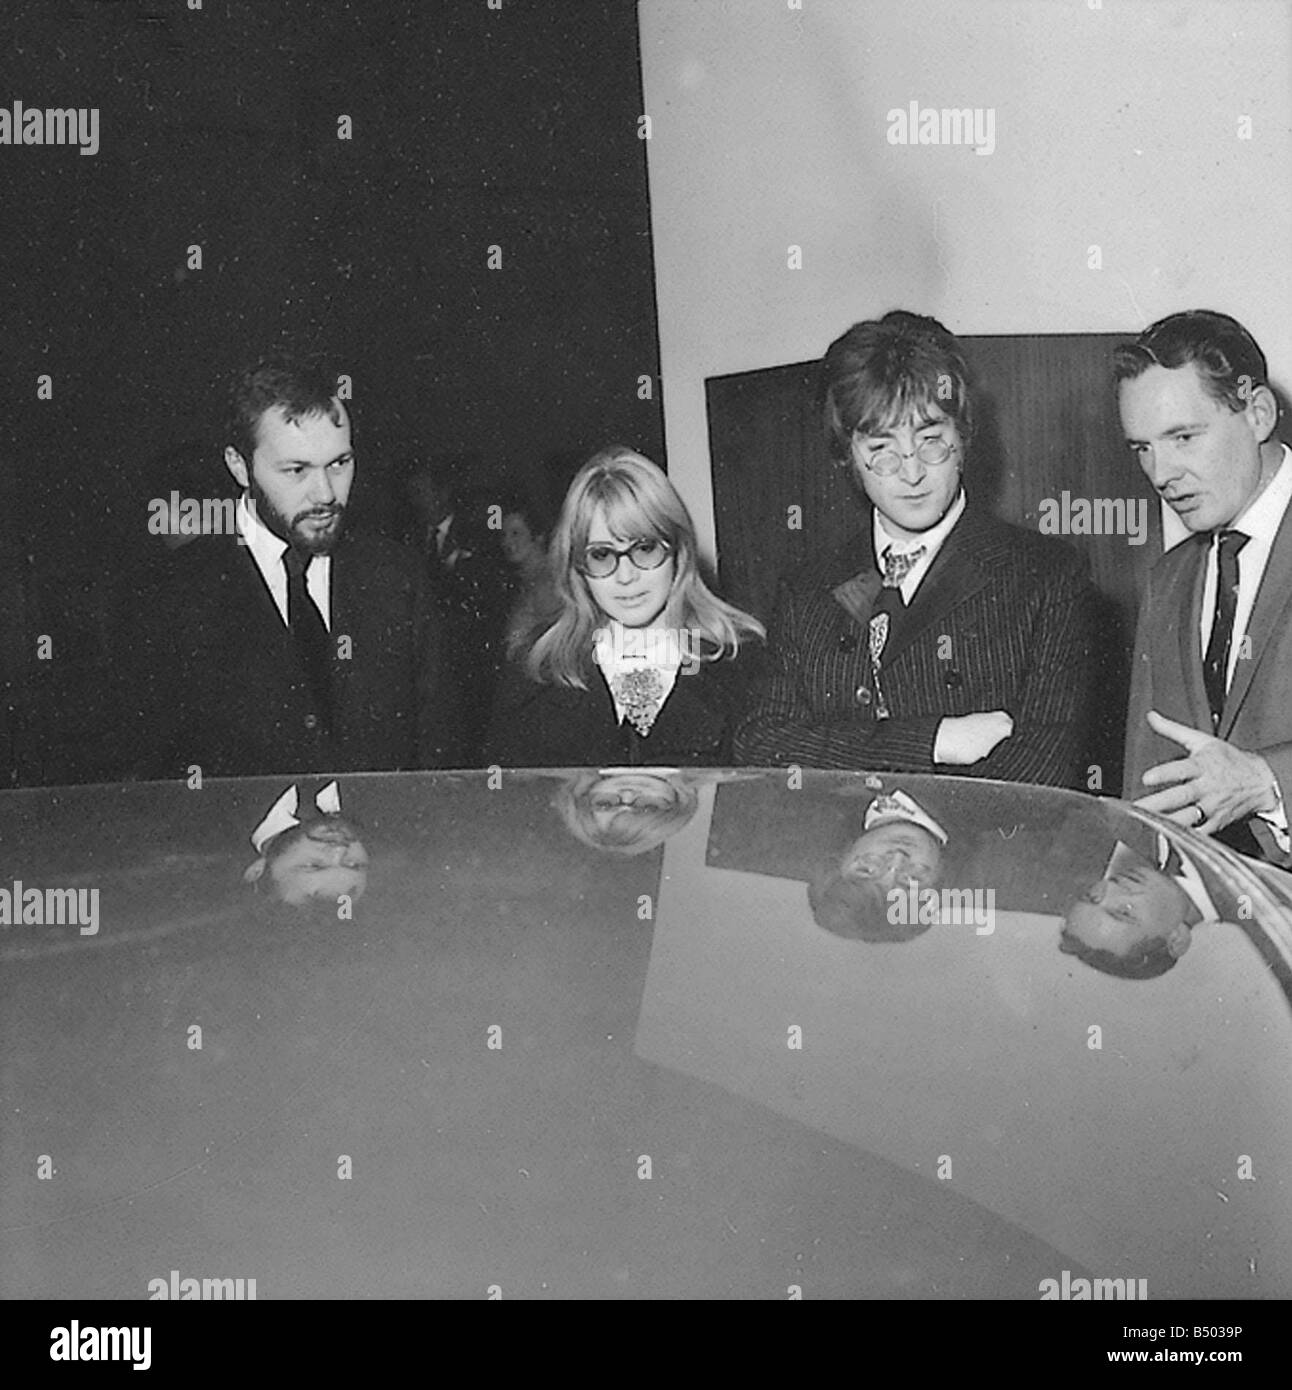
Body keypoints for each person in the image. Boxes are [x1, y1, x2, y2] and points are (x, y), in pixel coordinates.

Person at [733, 310, 1098, 786]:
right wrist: (932, 740)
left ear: (963, 436)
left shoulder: (1045, 576)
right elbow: (761, 744)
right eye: (881, 450)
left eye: (931, 441)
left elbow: (1044, 765)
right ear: (847, 455)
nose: (911, 473)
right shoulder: (807, 590)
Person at [130, 353, 459, 778]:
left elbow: (439, 756)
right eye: (296, 470)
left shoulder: (397, 578)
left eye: (339, 464)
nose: (325, 494)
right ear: (239, 466)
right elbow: (154, 781)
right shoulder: (171, 598)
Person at [1117, 310, 1292, 867]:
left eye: (1183, 437)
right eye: (1142, 448)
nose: (1160, 474)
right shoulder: (1168, 580)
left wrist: (1268, 781)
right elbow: (1147, 788)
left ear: (1258, 414)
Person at [483, 447, 765, 766]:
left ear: (679, 551)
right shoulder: (536, 670)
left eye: (645, 548)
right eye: (602, 555)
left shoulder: (739, 661)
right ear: (577, 566)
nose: (626, 576)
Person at [1060, 834, 1219, 980]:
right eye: (1124, 912)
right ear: (1176, 939)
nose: (1112, 888)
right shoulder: (1232, 885)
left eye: (1093, 896)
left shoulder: (1140, 836)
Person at [500, 498, 560, 657]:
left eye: (516, 533)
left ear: (538, 536)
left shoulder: (546, 581)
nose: (507, 542)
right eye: (504, 535)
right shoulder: (525, 580)